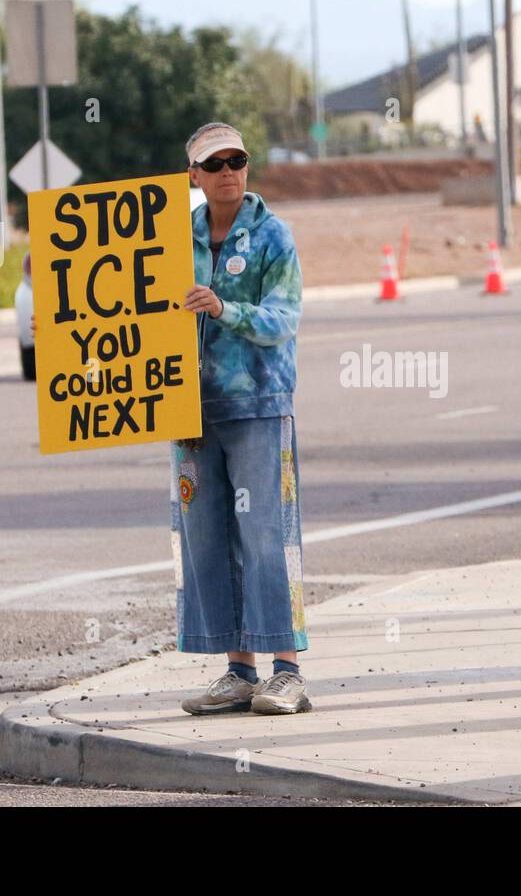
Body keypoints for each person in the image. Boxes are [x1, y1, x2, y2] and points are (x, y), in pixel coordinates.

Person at [171, 122, 310, 716]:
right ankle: (237, 670)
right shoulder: (173, 239)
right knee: (204, 540)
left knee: (265, 537)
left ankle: (288, 672)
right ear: (194, 176)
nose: (229, 170)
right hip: (188, 409)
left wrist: (225, 308)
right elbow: (131, 309)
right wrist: (69, 338)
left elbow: (284, 318)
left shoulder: (273, 236)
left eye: (238, 159)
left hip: (257, 405)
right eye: (216, 162)